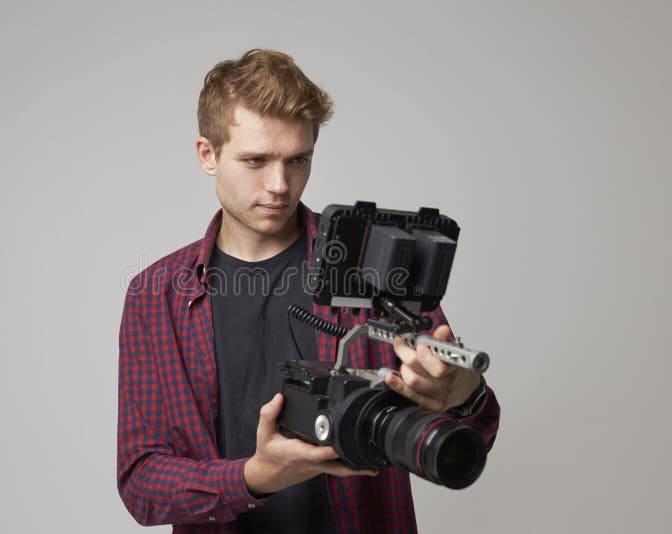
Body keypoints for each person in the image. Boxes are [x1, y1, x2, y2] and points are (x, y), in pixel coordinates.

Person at [117, 49, 500, 533]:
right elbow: (141, 482)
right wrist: (253, 478)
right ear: (207, 155)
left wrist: (464, 394)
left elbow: (473, 434)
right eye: (255, 160)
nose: (279, 184)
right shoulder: (156, 296)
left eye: (297, 160)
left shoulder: (373, 266)